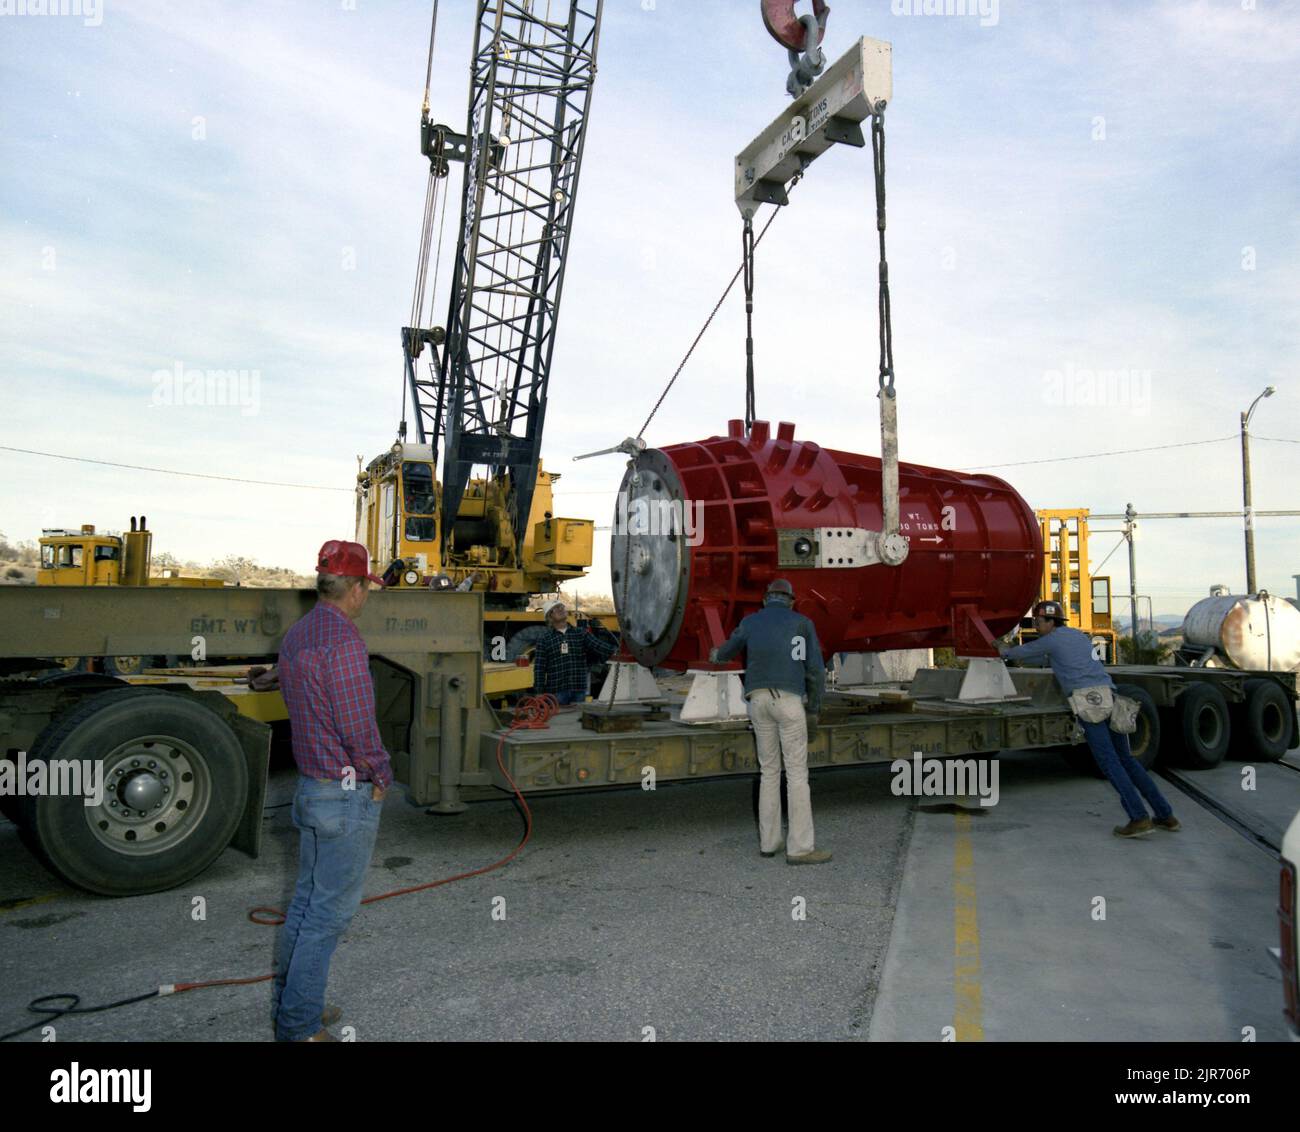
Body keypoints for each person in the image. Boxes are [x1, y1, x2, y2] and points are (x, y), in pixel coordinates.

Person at [272, 540, 392, 1042]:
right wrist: (379, 773)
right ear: (357, 588)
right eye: (368, 587)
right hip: (344, 794)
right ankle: (299, 1030)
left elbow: (296, 695)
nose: (367, 596)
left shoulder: (299, 634)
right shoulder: (343, 640)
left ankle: (296, 1006)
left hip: (311, 788)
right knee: (327, 916)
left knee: (305, 907)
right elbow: (357, 724)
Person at [1001, 599, 1178, 838]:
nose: (1036, 626)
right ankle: (1165, 814)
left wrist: (999, 648)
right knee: (1126, 759)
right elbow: (1044, 658)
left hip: (1088, 702)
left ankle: (1139, 818)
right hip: (1111, 696)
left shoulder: (1051, 640)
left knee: (1109, 762)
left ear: (1050, 622)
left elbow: (1019, 653)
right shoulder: (1077, 636)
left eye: (1038, 621)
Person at [710, 578, 830, 865]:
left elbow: (723, 653)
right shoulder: (801, 623)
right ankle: (800, 849)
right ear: (791, 601)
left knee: (769, 772)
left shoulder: (751, 622)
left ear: (765, 600)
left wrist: (715, 654)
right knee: (797, 774)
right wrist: (813, 707)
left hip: (758, 701)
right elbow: (815, 669)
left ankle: (769, 842)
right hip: (788, 701)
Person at [531, 598, 618, 706]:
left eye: (562, 607)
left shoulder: (581, 633)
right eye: (556, 608)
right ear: (550, 616)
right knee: (558, 721)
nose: (561, 609)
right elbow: (539, 668)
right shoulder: (544, 639)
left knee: (576, 720)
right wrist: (539, 692)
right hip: (557, 692)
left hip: (579, 689)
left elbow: (598, 646)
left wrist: (617, 652)